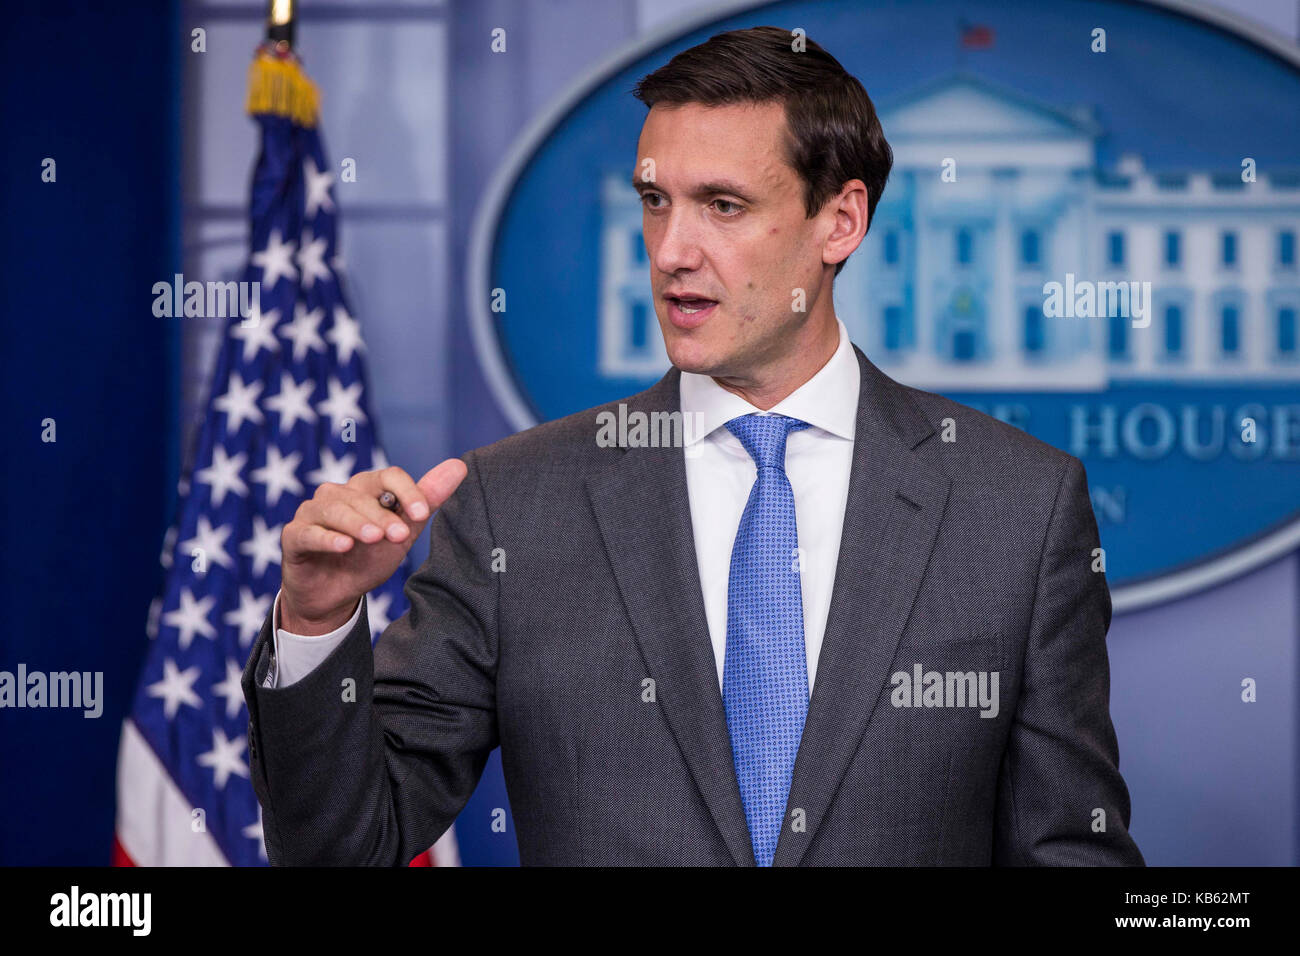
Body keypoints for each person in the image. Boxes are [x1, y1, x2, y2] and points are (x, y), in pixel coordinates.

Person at [241, 25, 1143, 867]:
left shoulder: (1017, 509)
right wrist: (316, 623)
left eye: (722, 205)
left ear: (841, 222)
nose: (672, 250)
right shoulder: (514, 506)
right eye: (655, 202)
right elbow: (343, 849)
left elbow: (1071, 850)